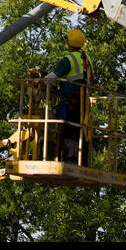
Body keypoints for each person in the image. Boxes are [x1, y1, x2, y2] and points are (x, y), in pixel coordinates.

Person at [44, 27, 94, 165]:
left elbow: (53, 77)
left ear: (69, 43)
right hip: (84, 100)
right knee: (81, 129)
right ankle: (82, 162)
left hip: (72, 101)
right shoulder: (87, 58)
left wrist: (41, 80)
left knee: (67, 128)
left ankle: (66, 160)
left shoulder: (69, 59)